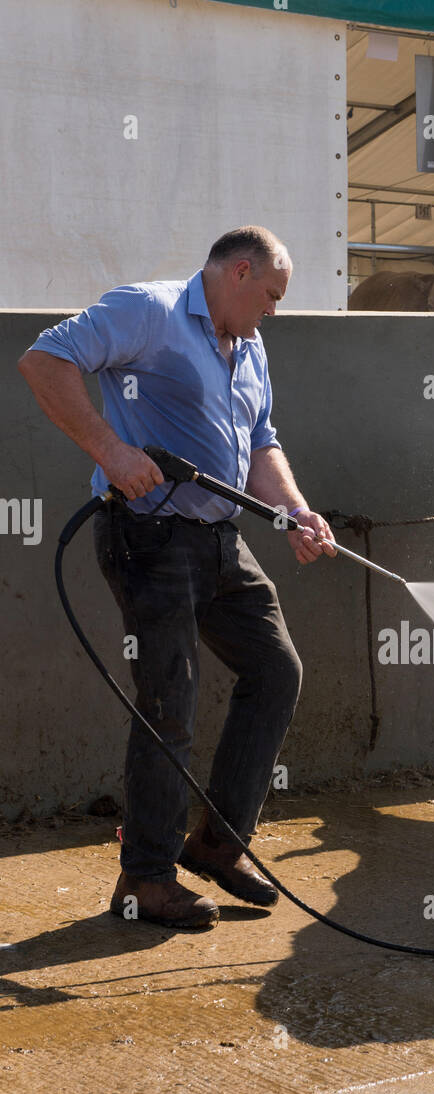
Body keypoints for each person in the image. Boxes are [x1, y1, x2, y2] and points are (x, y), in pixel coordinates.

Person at [18, 226, 336, 930]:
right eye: (273, 296)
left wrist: (294, 511)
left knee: (275, 671)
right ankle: (145, 880)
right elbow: (45, 359)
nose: (275, 312)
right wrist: (112, 449)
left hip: (220, 539)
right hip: (148, 537)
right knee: (169, 703)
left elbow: (261, 442)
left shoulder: (249, 346)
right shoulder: (150, 311)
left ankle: (219, 842)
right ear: (241, 271)